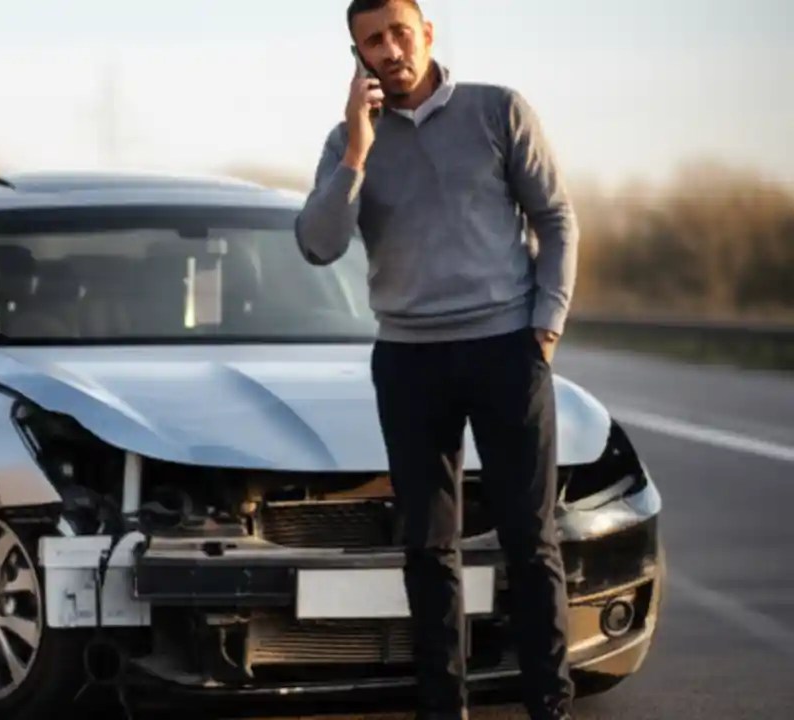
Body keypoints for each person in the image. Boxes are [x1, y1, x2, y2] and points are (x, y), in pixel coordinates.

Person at [295, 1, 579, 719]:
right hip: (409, 360)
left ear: (427, 33)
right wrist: (358, 152)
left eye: (398, 33)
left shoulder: (498, 110)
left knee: (528, 536)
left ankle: (550, 703)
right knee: (427, 547)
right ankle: (440, 707)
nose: (389, 50)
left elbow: (555, 217)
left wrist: (544, 327)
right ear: (357, 54)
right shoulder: (345, 141)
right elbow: (318, 244)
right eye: (371, 42)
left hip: (505, 351)